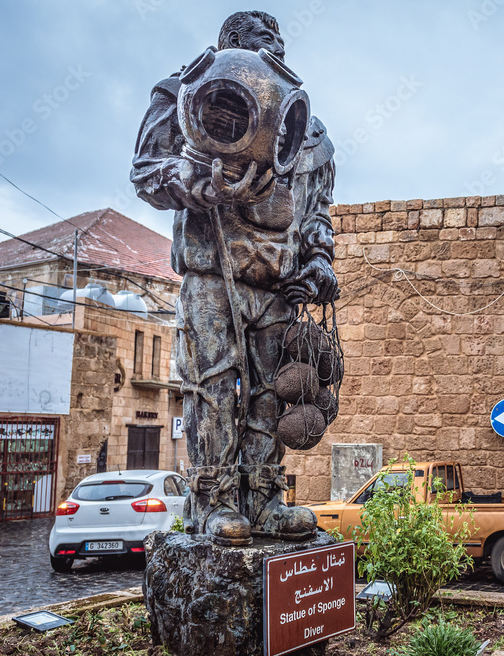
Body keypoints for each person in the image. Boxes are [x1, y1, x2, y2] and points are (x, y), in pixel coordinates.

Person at [130, 10, 337, 545]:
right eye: (264, 38)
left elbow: (317, 212)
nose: (278, 46)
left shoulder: (308, 131)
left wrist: (318, 262)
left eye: (281, 38)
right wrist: (196, 182)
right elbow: (147, 171)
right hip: (211, 272)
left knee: (271, 393)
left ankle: (266, 500)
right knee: (212, 385)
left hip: (277, 285)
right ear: (232, 44)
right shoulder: (189, 90)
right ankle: (215, 501)